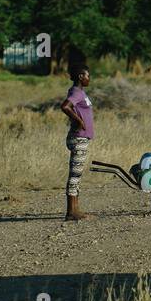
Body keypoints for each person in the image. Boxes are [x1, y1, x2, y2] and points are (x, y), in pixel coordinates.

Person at [60, 53, 93, 221]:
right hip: (79, 137)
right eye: (88, 76)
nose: (89, 79)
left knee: (76, 173)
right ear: (81, 76)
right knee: (75, 174)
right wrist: (79, 120)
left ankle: (75, 209)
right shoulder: (77, 93)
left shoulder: (78, 91)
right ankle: (71, 211)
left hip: (80, 137)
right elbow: (65, 106)